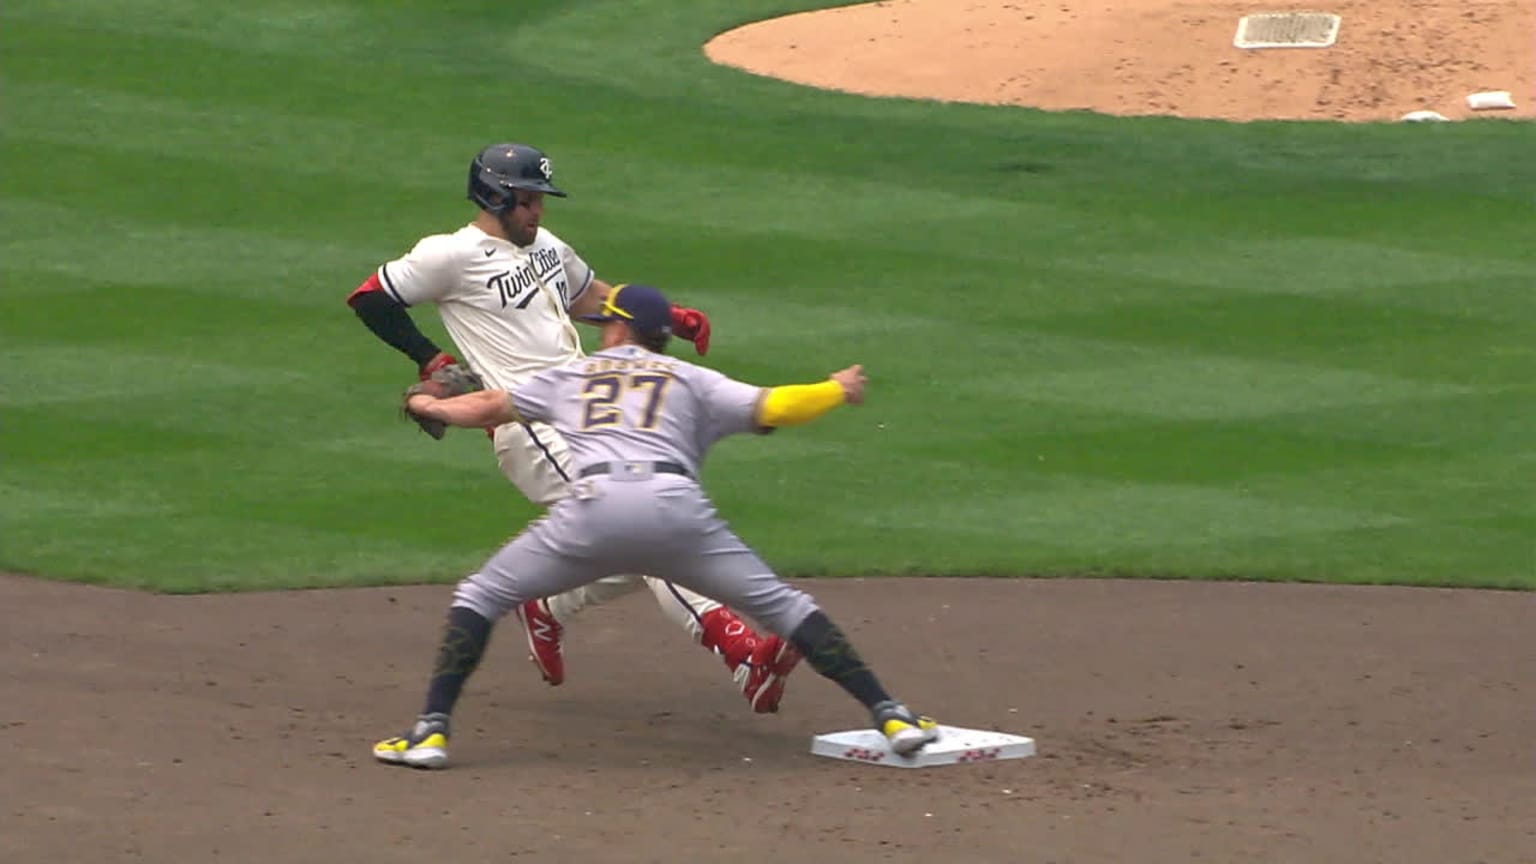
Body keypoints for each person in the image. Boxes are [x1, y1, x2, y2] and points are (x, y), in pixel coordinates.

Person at [373, 283, 939, 769]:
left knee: (481, 594)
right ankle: (892, 716)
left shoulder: (577, 374)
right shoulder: (691, 378)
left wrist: (430, 408)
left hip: (593, 508)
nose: (601, 333)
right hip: (677, 512)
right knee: (786, 608)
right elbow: (776, 408)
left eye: (606, 324)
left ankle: (431, 732)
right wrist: (836, 389)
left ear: (621, 330)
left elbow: (490, 407)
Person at [346, 142, 798, 712]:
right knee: (651, 522)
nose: (538, 211)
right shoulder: (450, 256)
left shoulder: (546, 248)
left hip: (588, 408)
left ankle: (546, 607)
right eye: (528, 200)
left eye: (540, 200)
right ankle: (744, 655)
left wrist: (669, 316)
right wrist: (430, 359)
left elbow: (589, 296)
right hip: (529, 423)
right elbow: (370, 299)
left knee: (633, 539)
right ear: (494, 194)